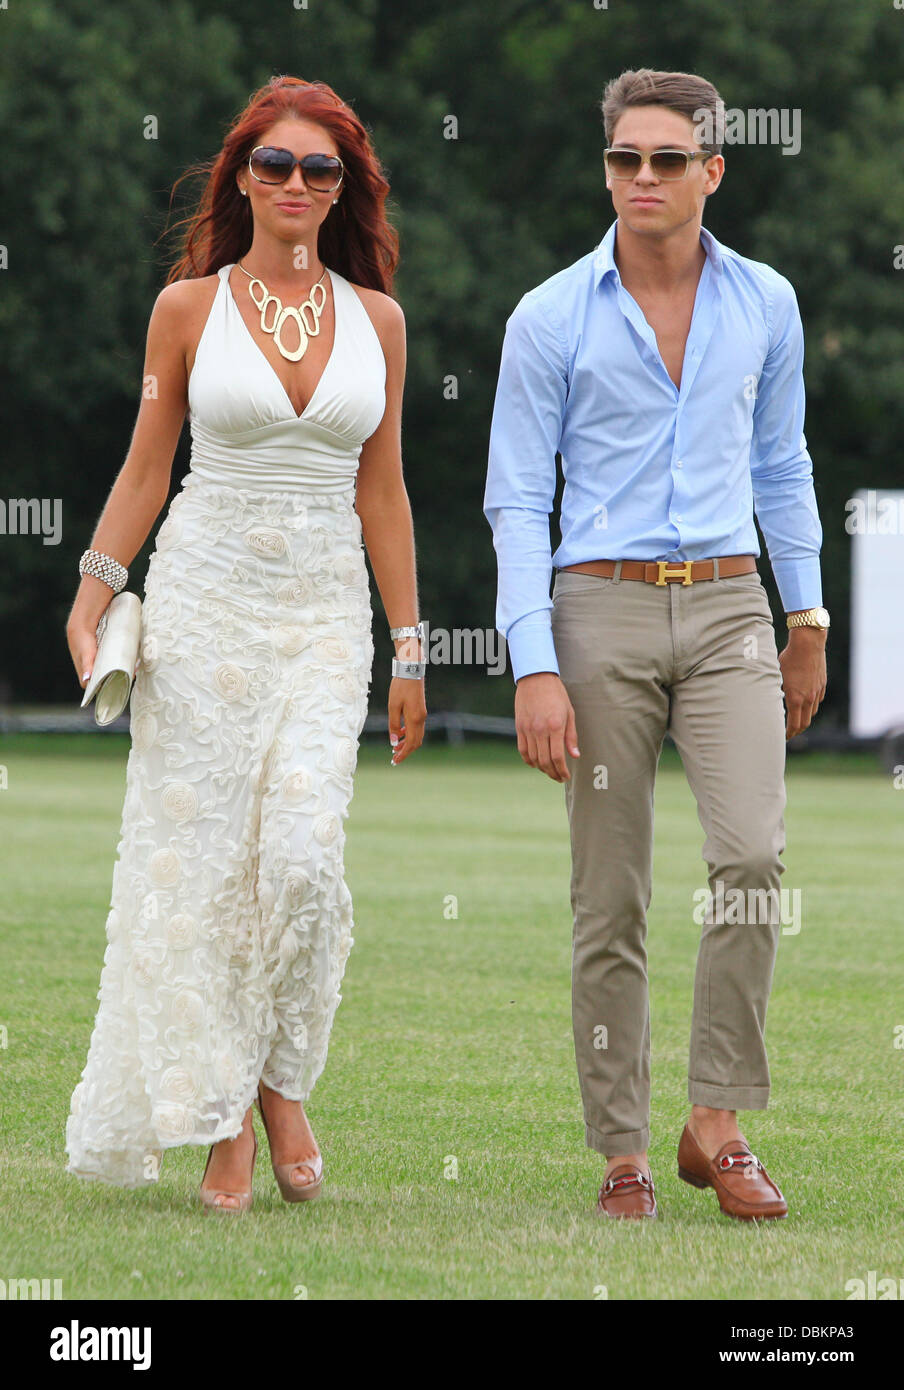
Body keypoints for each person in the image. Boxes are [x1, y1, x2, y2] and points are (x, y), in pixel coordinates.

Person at [64, 75, 427, 1213]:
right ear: (241, 177)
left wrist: (412, 645)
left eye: (320, 169)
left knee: (304, 857)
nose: (295, 184)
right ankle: (229, 1118)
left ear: (342, 190)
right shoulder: (187, 308)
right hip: (203, 605)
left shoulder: (380, 322)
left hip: (323, 615)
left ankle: (279, 1081)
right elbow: (144, 465)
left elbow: (386, 493)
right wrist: (93, 586)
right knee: (213, 873)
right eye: (273, 163)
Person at [483, 68, 828, 1220]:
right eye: (623, 158)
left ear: (711, 171)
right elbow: (515, 501)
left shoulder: (765, 301)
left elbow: (782, 463)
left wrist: (807, 615)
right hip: (596, 611)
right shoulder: (547, 315)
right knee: (610, 892)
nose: (640, 177)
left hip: (733, 602)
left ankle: (715, 1123)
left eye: (665, 160)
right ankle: (622, 1146)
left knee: (748, 861)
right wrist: (532, 658)